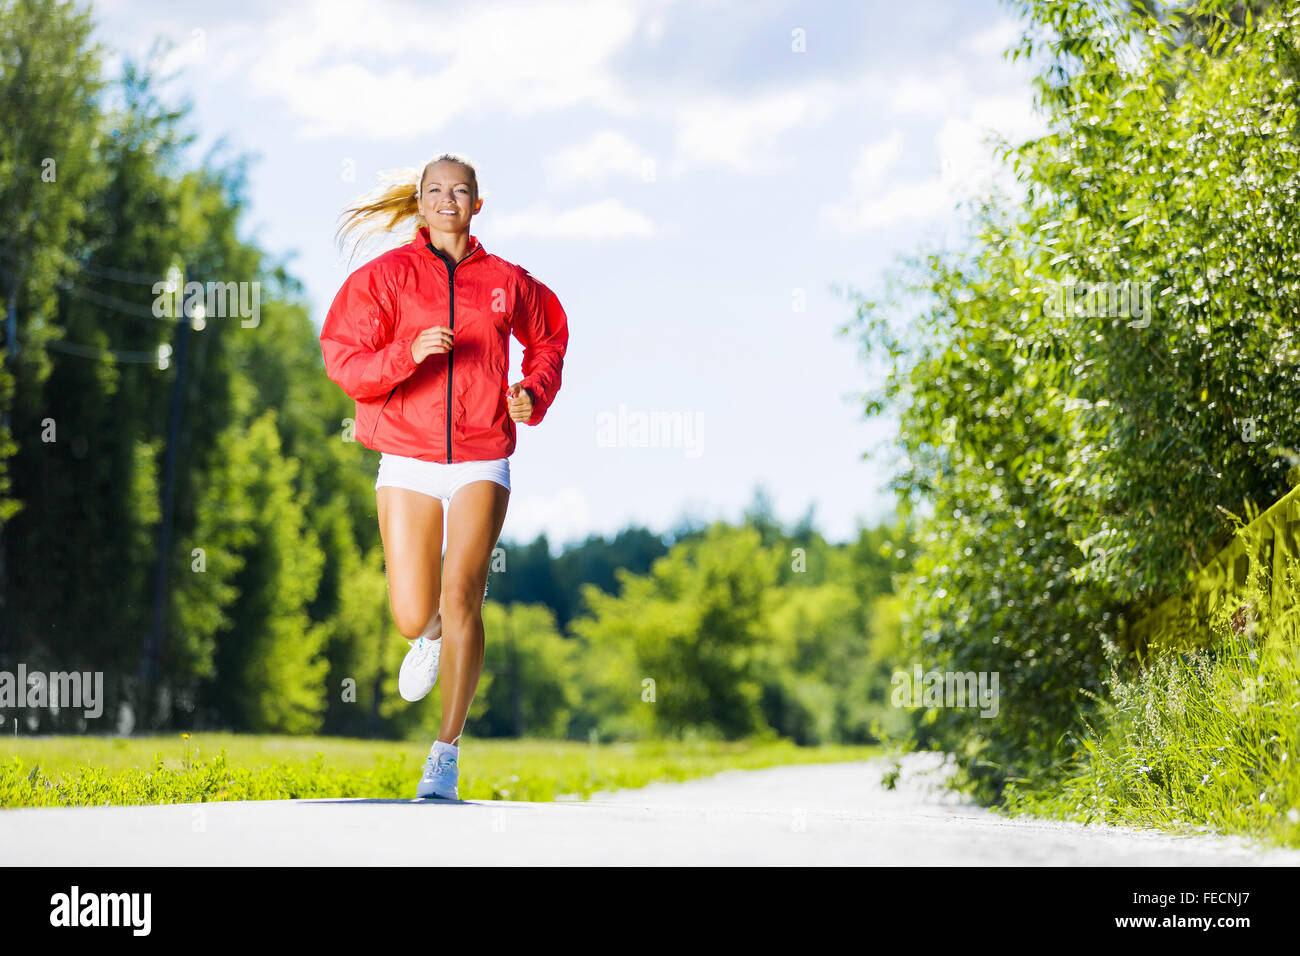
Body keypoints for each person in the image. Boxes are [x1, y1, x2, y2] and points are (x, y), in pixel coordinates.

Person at [319, 152, 568, 799]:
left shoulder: (506, 280)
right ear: (421, 203)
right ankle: (427, 637)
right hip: (406, 455)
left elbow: (550, 336)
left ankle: (445, 754)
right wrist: (409, 352)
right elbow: (344, 358)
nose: (447, 200)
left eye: (460, 191)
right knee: (412, 613)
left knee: (463, 597)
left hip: (484, 453)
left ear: (477, 204)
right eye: (435, 190)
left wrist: (532, 394)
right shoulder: (388, 277)